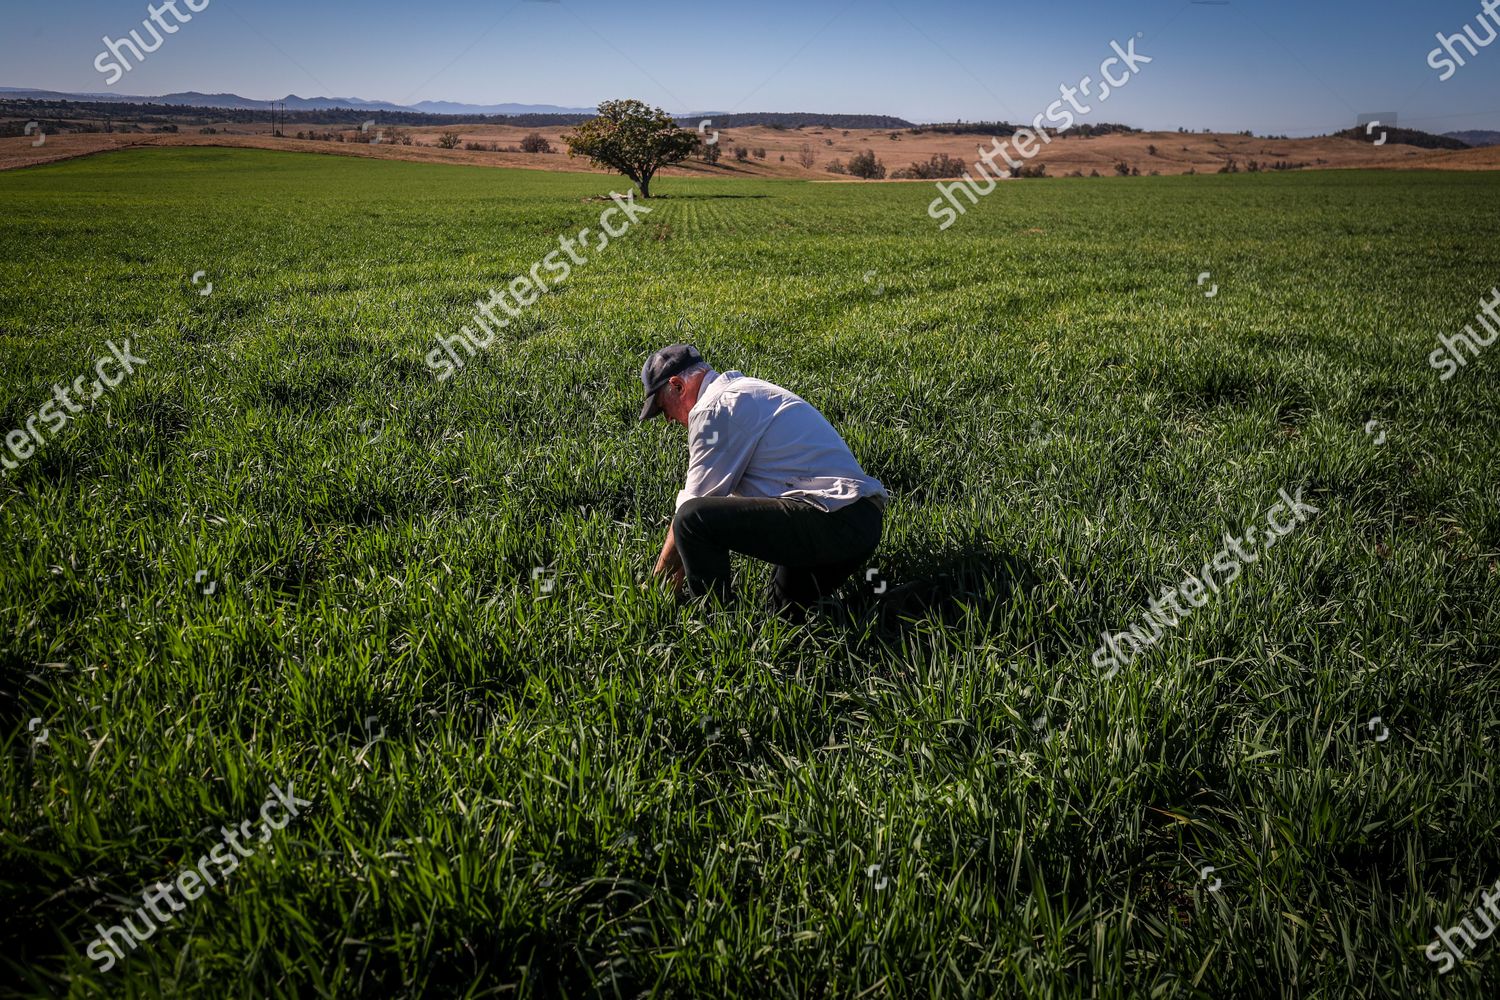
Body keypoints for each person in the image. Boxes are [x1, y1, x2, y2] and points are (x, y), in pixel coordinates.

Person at [639, 344, 888, 612]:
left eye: (663, 407)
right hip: (857, 520)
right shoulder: (742, 391)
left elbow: (693, 512)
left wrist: (658, 584)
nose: (667, 419)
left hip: (833, 518)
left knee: (691, 518)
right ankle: (896, 601)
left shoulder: (713, 412)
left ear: (677, 386)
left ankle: (718, 626)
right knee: (782, 611)